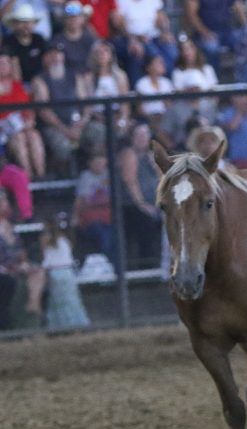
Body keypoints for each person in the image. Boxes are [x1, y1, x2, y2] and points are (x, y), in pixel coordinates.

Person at [32, 43, 90, 177]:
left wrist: (81, 123)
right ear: (45, 58)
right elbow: (44, 110)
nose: (55, 58)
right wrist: (65, 130)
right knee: (63, 147)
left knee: (99, 134)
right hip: (55, 126)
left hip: (78, 124)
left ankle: (92, 177)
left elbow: (86, 104)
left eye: (58, 54)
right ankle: (62, 182)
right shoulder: (40, 79)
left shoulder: (75, 76)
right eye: (51, 54)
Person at [118, 122, 161, 268]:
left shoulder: (152, 155)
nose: (142, 138)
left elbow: (165, 179)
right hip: (132, 204)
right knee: (147, 221)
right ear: (132, 137)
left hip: (155, 202)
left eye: (145, 134)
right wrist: (142, 205)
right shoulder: (129, 154)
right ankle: (148, 265)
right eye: (139, 134)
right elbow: (130, 182)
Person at [0, 190, 44, 329]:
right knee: (11, 281)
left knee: (38, 271)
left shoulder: (9, 226)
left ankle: (33, 305)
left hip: (15, 266)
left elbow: (20, 250)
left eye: (5, 201)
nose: (5, 204)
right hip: (4, 269)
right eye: (2, 201)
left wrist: (23, 263)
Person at [40, 214, 89, 330]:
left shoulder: (46, 238)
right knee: (71, 300)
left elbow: (44, 256)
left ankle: (64, 326)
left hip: (56, 272)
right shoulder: (66, 238)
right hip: (67, 272)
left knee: (60, 301)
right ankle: (74, 325)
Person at [0, 53, 45, 179]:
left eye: (5, 63)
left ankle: (41, 176)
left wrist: (29, 121)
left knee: (34, 136)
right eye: (0, 63)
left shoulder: (18, 86)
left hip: (23, 127)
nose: (3, 66)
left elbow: (27, 109)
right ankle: (28, 177)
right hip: (5, 133)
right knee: (19, 139)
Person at [73, 151, 117, 269]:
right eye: (96, 162)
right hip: (92, 219)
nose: (99, 165)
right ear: (89, 163)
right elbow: (80, 201)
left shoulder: (110, 175)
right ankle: (110, 267)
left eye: (101, 162)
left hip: (109, 217)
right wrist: (75, 217)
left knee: (116, 233)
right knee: (104, 235)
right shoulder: (85, 177)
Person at [133, 53, 175, 148]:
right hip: (147, 118)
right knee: (156, 127)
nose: (162, 65)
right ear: (148, 67)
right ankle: (172, 149)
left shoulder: (166, 83)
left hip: (165, 117)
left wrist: (164, 116)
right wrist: (152, 118)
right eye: (158, 63)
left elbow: (169, 105)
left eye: (162, 63)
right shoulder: (141, 83)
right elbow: (140, 109)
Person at [184, 0, 237, 71]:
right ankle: (214, 78)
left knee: (243, 42)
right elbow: (191, 15)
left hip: (227, 31)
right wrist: (205, 32)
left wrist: (246, 25)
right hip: (205, 33)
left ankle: (243, 77)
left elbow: (237, 6)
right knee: (212, 48)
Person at [51, 2, 98, 79]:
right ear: (65, 19)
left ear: (82, 19)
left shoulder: (90, 38)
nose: (73, 20)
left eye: (77, 17)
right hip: (67, 81)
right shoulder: (57, 40)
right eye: (70, 17)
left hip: (89, 78)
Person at [2, 4, 47, 83]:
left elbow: (46, 61)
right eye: (22, 22)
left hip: (40, 81)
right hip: (19, 83)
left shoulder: (39, 39)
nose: (26, 26)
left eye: (29, 22)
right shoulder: (9, 41)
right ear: (15, 24)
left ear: (33, 24)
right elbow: (13, 66)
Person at [218, 94, 247, 168]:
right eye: (242, 96)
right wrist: (240, 112)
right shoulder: (228, 112)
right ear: (233, 99)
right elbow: (232, 127)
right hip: (237, 157)